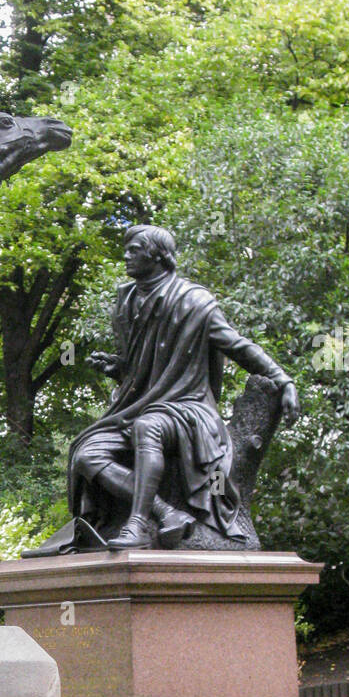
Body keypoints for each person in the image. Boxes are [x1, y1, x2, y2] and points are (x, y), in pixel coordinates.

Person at [67, 224, 300, 550]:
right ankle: (166, 513)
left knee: (148, 427)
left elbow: (238, 346)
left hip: (188, 407)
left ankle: (136, 524)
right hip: (139, 405)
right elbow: (143, 370)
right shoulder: (127, 301)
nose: (126, 255)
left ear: (158, 255)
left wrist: (283, 379)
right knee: (85, 453)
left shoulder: (194, 302)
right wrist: (120, 369)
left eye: (134, 249)